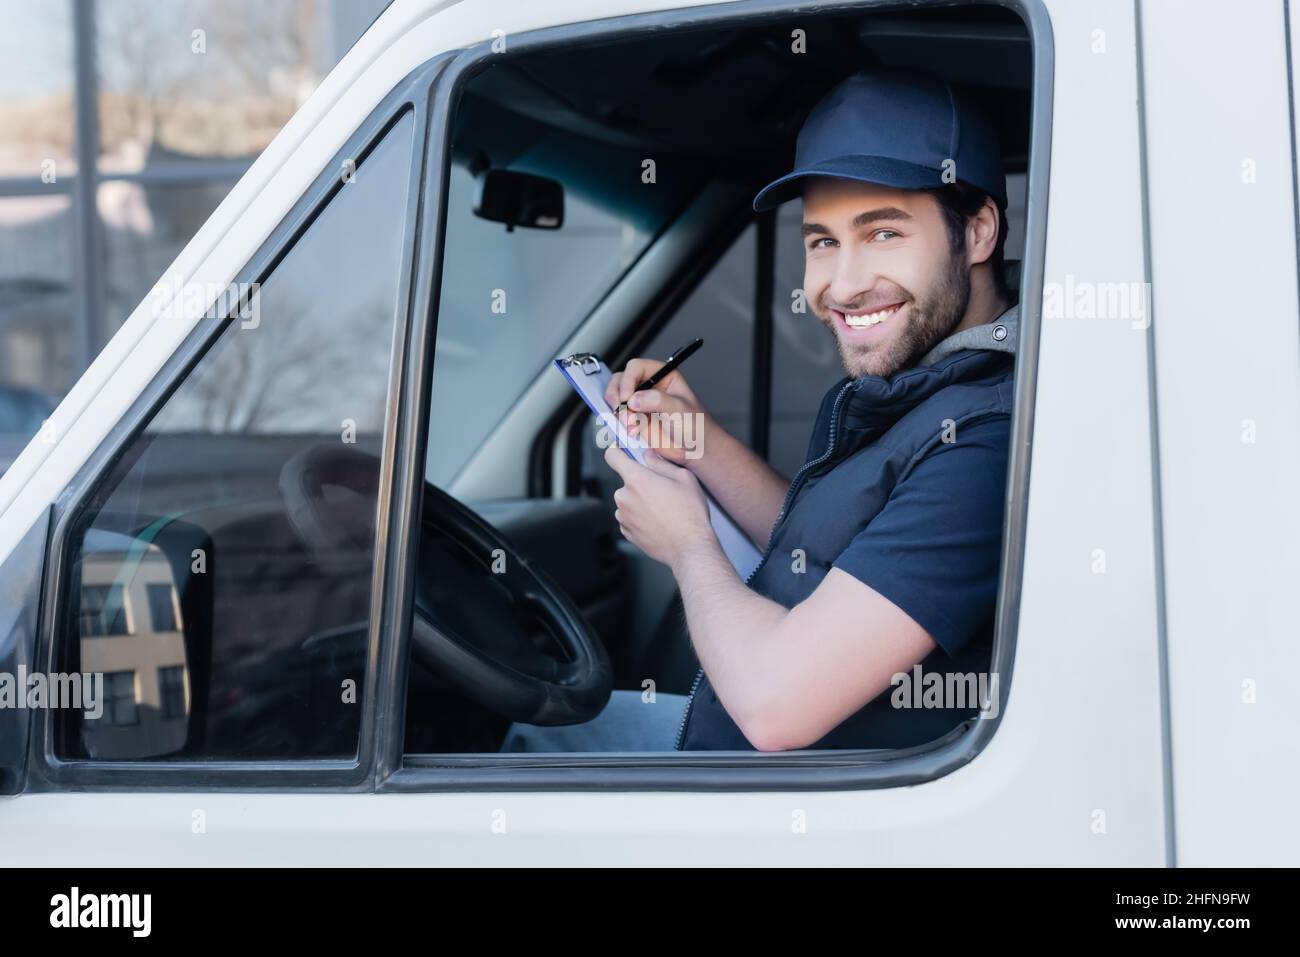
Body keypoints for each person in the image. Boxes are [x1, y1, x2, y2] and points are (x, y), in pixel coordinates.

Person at [501, 69, 1017, 753]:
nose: (845, 284)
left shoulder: (985, 438)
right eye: (823, 241)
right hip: (748, 768)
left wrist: (686, 543)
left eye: (884, 233)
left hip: (806, 803)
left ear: (978, 231)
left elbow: (776, 706)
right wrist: (700, 441)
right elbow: (837, 555)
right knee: (533, 734)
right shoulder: (927, 383)